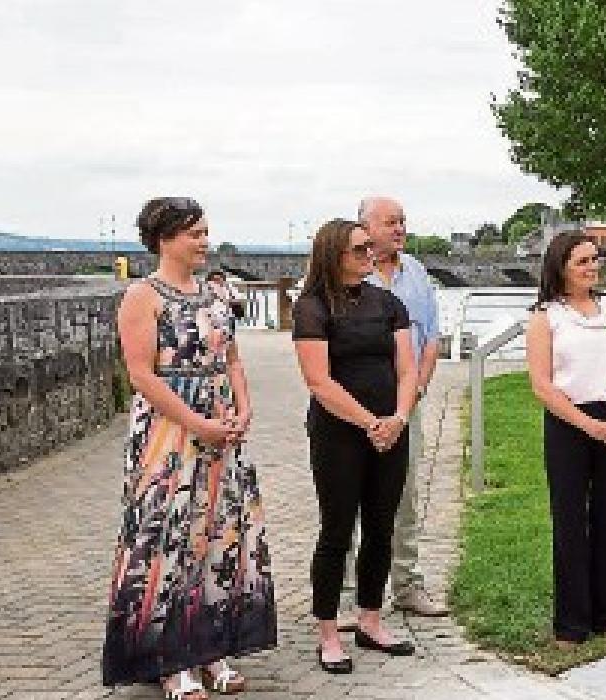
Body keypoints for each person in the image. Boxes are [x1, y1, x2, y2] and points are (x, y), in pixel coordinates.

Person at [103, 197, 277, 699]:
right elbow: (140, 374)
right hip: (171, 430)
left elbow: (235, 359)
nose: (204, 242)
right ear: (165, 239)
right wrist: (197, 422)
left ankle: (209, 647)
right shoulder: (142, 296)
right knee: (170, 535)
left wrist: (244, 409)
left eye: (205, 232)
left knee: (218, 533)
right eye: (194, 233)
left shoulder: (216, 293)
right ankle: (169, 658)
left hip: (221, 428)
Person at [292, 219, 419, 674]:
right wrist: (369, 423)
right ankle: (328, 631)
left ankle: (371, 619)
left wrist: (398, 418)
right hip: (339, 433)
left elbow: (406, 369)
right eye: (360, 249)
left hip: (390, 428)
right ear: (334, 255)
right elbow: (318, 381)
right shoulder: (312, 306)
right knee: (337, 531)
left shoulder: (388, 303)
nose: (371, 255)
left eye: (370, 248)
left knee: (381, 526)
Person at [525, 232, 606, 645]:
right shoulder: (545, 317)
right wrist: (586, 425)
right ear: (560, 268)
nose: (593, 267)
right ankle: (571, 623)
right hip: (568, 425)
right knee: (570, 523)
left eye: (595, 259)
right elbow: (542, 385)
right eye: (583, 262)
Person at [357, 196, 448, 617]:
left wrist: (416, 391)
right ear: (367, 226)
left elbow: (430, 337)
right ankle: (345, 594)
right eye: (391, 222)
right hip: (359, 404)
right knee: (352, 500)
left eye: (403, 221)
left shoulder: (416, 272)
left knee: (407, 495)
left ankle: (407, 584)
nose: (400, 228)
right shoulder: (350, 272)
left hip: (407, 401)